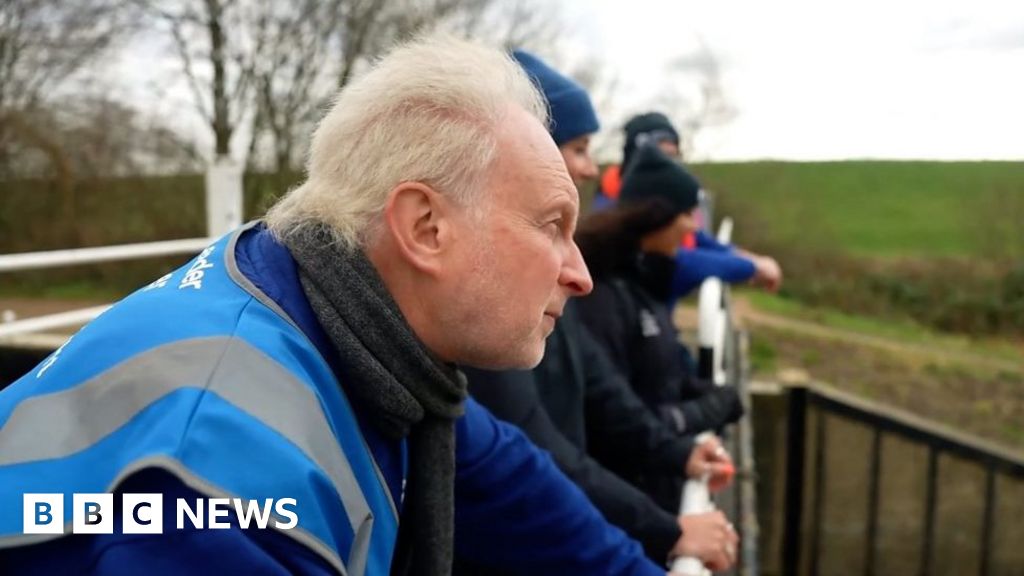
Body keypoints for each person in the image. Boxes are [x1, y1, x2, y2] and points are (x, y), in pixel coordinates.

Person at [0, 35, 677, 576]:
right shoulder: (226, 478)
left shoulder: (333, 313)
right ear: (425, 228)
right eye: (551, 225)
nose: (580, 274)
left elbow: (512, 484)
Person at [461, 50, 739, 571]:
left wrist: (674, 453)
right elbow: (532, 449)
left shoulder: (562, 281)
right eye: (580, 147)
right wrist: (666, 531)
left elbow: (601, 387)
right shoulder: (476, 301)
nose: (593, 168)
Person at [576, 144, 746, 513]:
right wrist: (707, 410)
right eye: (687, 213)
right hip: (629, 508)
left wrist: (717, 395)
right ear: (657, 216)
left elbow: (663, 373)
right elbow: (617, 421)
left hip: (654, 493)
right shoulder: (601, 298)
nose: (692, 226)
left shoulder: (644, 287)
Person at [595, 112, 783, 301]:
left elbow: (700, 239)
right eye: (663, 156)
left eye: (675, 157)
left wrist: (753, 260)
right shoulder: (609, 215)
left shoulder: (658, 208)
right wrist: (750, 267)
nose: (671, 166)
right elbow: (674, 262)